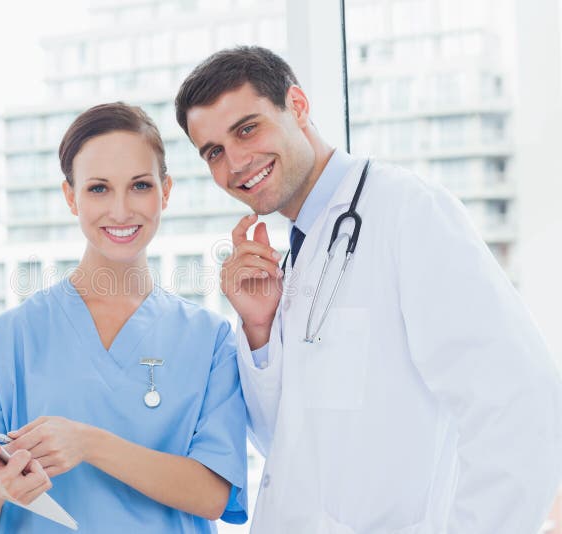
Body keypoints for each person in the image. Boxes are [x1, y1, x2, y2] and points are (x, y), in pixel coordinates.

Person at [174, 45, 562, 533]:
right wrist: (259, 326)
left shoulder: (405, 212)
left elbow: (519, 402)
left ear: (297, 105)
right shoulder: (299, 252)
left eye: (247, 129)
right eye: (213, 152)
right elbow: (287, 442)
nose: (235, 162)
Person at [0, 103, 247, 533]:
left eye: (139, 185)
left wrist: (88, 443)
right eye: (98, 189)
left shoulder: (209, 339)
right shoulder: (10, 339)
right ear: (70, 197)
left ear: (165, 191)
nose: (120, 210)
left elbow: (213, 495)